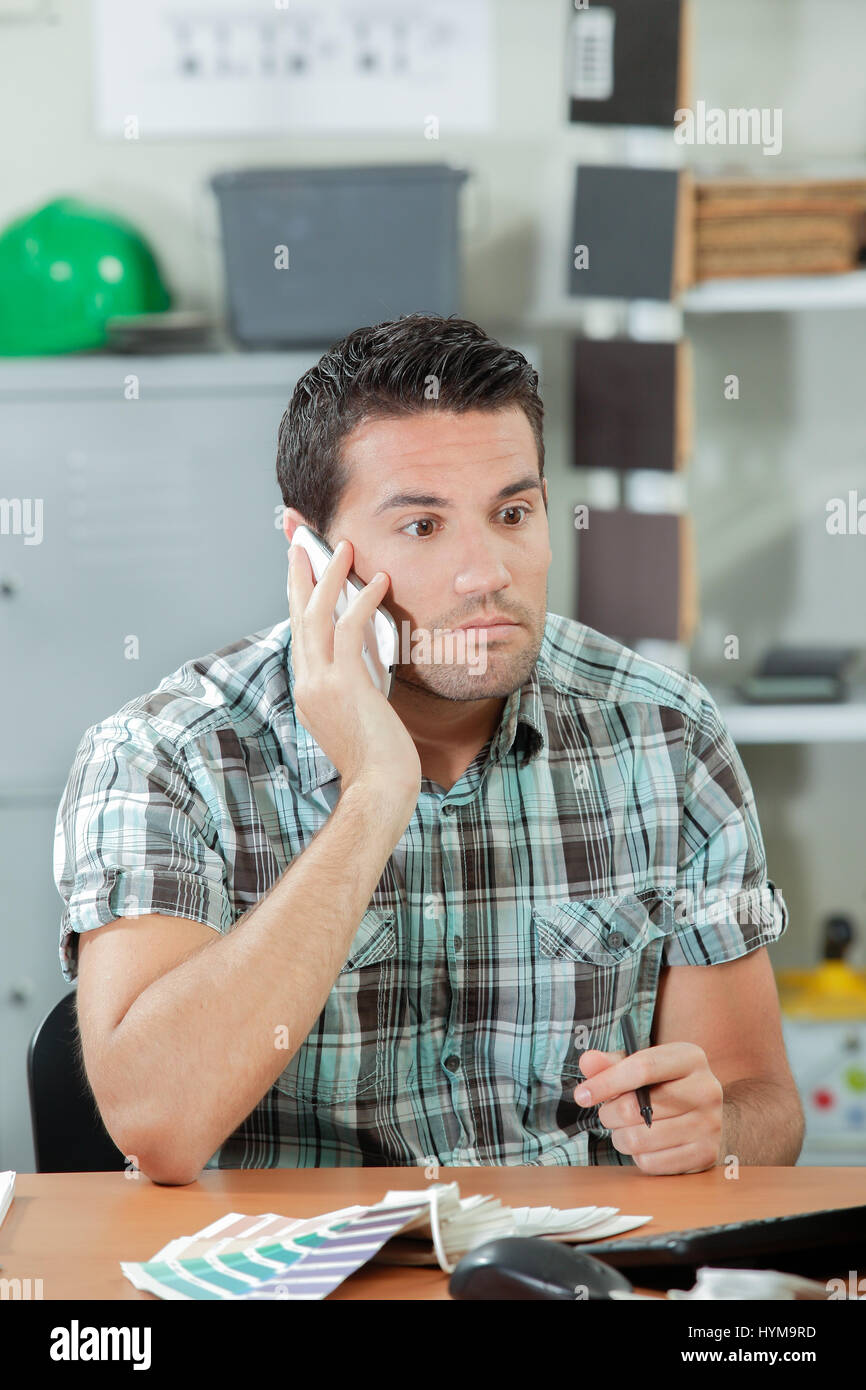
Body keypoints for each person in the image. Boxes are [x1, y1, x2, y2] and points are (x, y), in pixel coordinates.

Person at [54, 313, 804, 1184]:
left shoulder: (665, 731)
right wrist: (374, 790)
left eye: (513, 512)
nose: (486, 571)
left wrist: (716, 1132)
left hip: (579, 1268)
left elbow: (764, 1103)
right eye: (422, 527)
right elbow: (157, 1126)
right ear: (310, 552)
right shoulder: (166, 754)